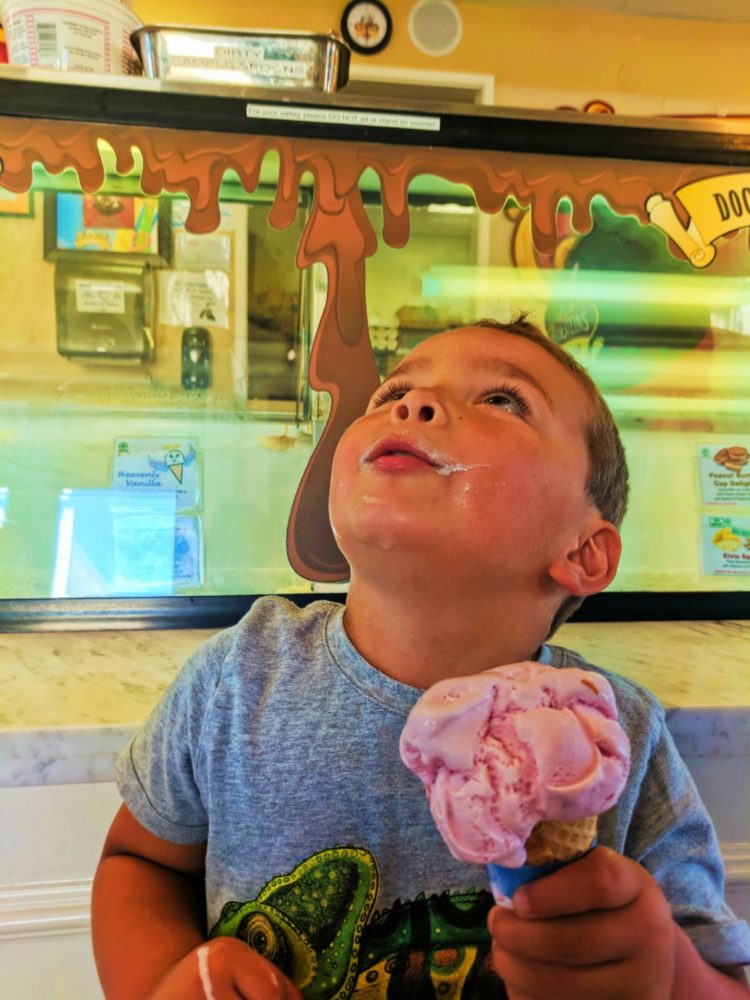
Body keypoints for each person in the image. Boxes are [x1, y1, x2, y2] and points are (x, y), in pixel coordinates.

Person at [91, 316, 750, 1000]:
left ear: (585, 553)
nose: (414, 404)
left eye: (503, 400)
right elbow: (140, 861)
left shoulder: (619, 734)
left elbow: (723, 983)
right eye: (393, 393)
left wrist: (668, 974)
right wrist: (164, 981)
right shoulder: (238, 677)